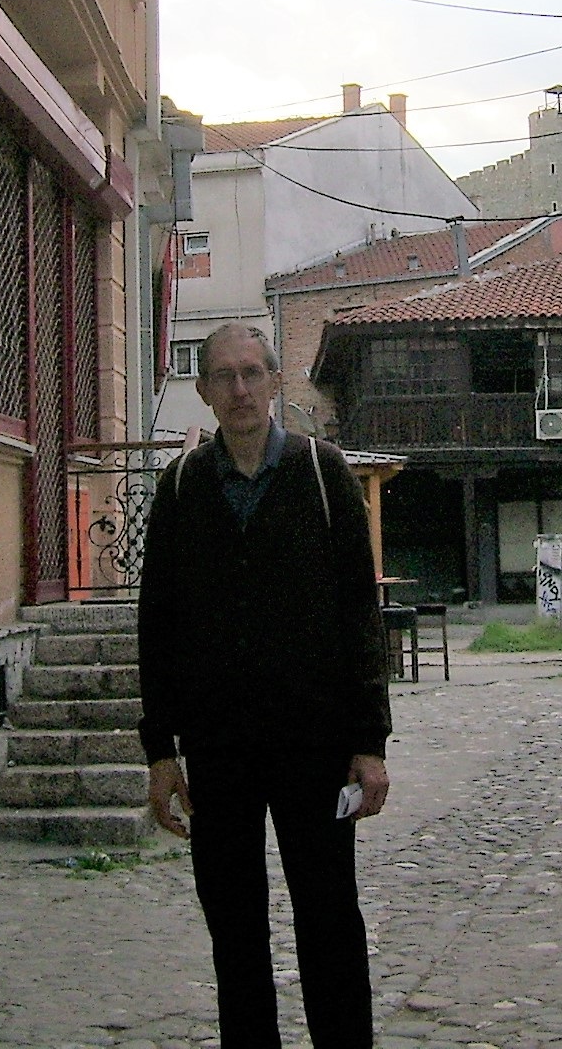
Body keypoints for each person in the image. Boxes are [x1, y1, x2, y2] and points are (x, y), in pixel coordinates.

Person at [138, 322, 391, 1049]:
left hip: (314, 746)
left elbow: (359, 616)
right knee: (235, 931)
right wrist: (161, 751)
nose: (240, 389)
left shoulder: (322, 472)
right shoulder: (182, 489)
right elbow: (158, 626)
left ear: (276, 382)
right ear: (204, 391)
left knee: (329, 922)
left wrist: (368, 743)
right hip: (220, 751)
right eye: (224, 376)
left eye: (252, 373)